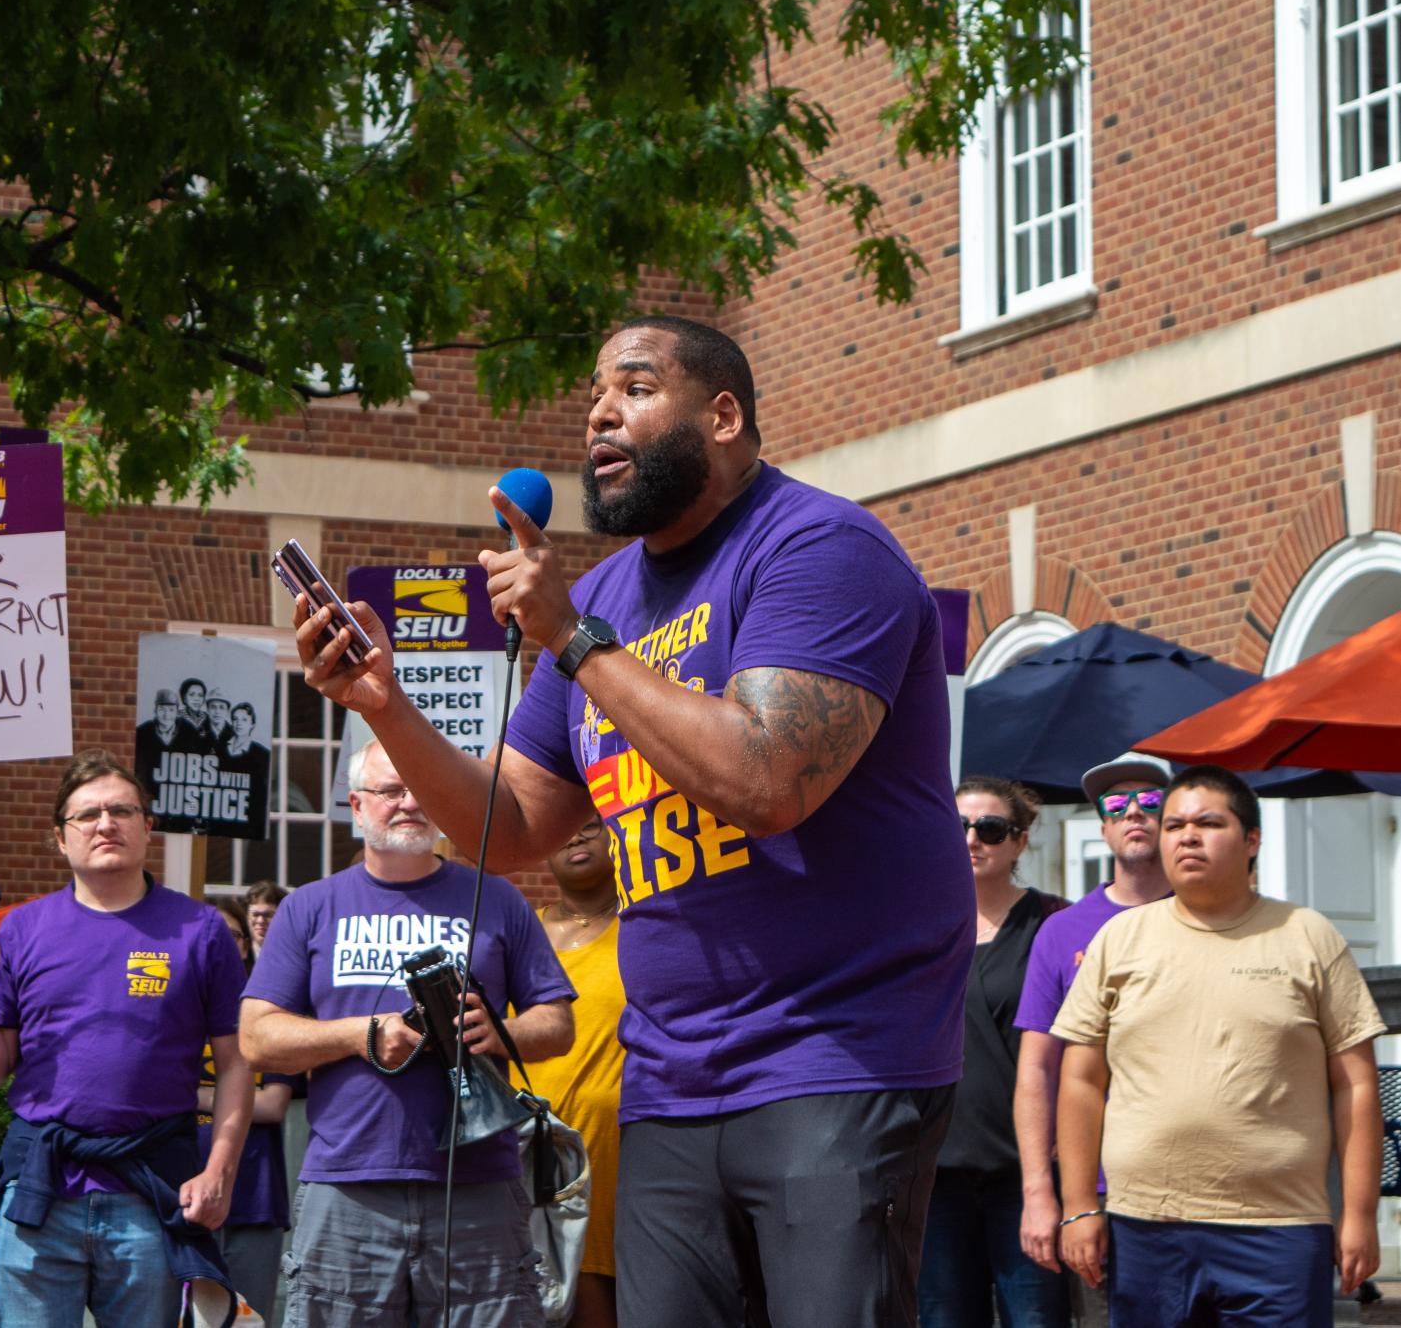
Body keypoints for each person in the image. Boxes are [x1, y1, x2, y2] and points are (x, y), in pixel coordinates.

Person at [294, 314, 969, 1326]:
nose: (600, 411)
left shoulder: (822, 547)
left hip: (837, 1058)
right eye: (592, 396)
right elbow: (507, 826)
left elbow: (768, 777)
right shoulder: (609, 592)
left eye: (636, 387)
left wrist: (567, 635)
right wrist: (384, 703)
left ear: (725, 414)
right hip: (671, 1079)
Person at [239, 741, 577, 1328]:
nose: (408, 802)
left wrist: (498, 1032)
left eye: (420, 787)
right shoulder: (310, 908)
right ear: (356, 805)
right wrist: (361, 1035)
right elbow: (257, 1039)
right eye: (389, 790)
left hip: (480, 1185)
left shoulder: (495, 898)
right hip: (348, 1185)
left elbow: (558, 1023)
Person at [1053, 764, 1384, 1326]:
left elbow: (1355, 1083)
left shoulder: (1307, 935)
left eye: (1209, 823)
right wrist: (1078, 1206)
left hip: (1279, 1228)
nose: (1187, 835)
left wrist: (1358, 1215)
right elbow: (1081, 1080)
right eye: (1175, 824)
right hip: (1145, 1226)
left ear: (1252, 839)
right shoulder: (1120, 938)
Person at [0, 750, 253, 1328]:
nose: (105, 824)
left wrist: (220, 1172)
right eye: (86, 815)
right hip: (39, 1195)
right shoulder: (20, 929)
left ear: (147, 826)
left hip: (151, 1192)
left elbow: (237, 1064)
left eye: (121, 810)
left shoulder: (201, 929)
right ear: (60, 838)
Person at [1012, 751, 1172, 1326]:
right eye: (1117, 804)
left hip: (1205, 1186)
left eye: (1152, 802)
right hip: (1100, 1190)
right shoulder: (1063, 932)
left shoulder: (1211, 915)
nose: (1135, 813)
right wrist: (1041, 1194)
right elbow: (1036, 1070)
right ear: (1102, 827)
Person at [920, 777, 1071, 1328]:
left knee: (1036, 1319)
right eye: (957, 826)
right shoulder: (918, 926)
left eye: (990, 828)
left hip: (1025, 1175)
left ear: (1020, 842)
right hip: (936, 1175)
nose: (971, 840)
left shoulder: (1054, 923)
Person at [524, 818, 624, 1328]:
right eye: (561, 829)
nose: (574, 837)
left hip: (616, 1157)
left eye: (589, 826)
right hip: (529, 1162)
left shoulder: (647, 928)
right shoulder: (523, 935)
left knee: (598, 1301)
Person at [201, 895, 296, 1323]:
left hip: (254, 1193)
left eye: (231, 934)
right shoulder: (169, 1012)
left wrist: (188, 1097)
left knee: (249, 1320)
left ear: (244, 945)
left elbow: (274, 1105)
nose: (220, 942)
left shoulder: (267, 1014)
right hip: (177, 1190)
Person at [246, 884, 286, 953]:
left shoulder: (294, 956)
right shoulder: (238, 955)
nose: (260, 921)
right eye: (255, 914)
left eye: (268, 915)